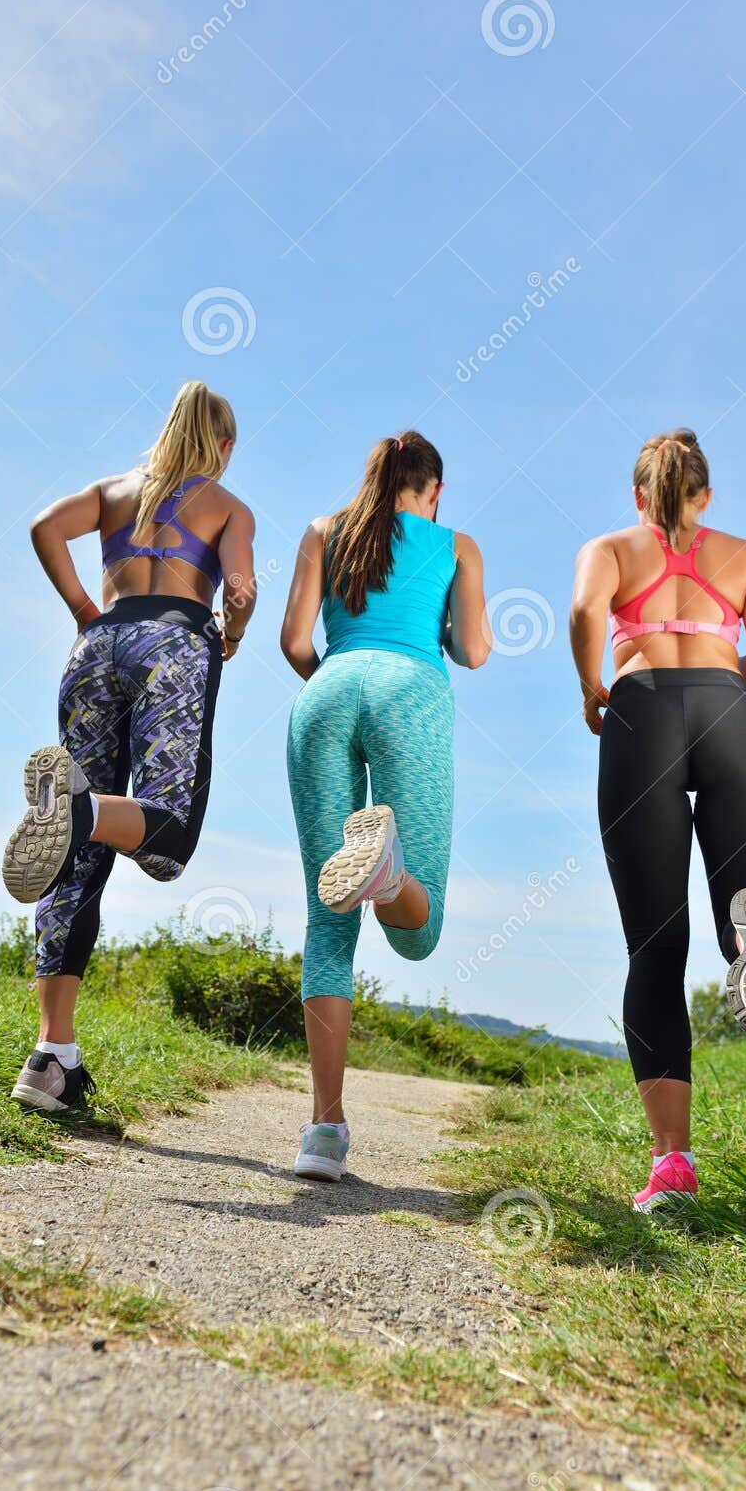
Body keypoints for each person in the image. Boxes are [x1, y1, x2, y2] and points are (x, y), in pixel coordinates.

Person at [1, 380, 256, 1111]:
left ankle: (52, 1059)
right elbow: (238, 590)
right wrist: (233, 627)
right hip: (173, 642)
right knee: (166, 836)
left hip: (96, 646)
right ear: (225, 445)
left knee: (74, 867)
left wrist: (86, 609)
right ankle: (77, 811)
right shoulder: (228, 506)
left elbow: (45, 527)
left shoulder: (114, 491)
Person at [569, 428, 746, 1213]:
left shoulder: (609, 548)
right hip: (733, 720)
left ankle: (672, 1165)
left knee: (656, 948)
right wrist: (722, 669)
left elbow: (581, 612)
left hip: (641, 719)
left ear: (639, 496)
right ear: (705, 495)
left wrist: (593, 686)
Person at [280, 430, 490, 1180]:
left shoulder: (322, 531)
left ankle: (324, 1133)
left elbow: (293, 640)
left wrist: (343, 669)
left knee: (325, 921)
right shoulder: (455, 544)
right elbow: (474, 650)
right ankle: (390, 875)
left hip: (327, 691)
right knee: (417, 931)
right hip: (411, 692)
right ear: (432, 490)